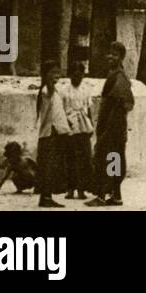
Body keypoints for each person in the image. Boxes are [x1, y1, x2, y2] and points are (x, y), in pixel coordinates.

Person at [88, 41, 135, 207]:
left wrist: (108, 128)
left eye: (115, 55)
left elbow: (125, 103)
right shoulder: (114, 74)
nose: (110, 57)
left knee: (104, 158)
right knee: (115, 159)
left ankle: (101, 196)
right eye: (110, 53)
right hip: (114, 127)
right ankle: (116, 196)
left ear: (121, 57)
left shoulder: (119, 77)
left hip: (113, 127)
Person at [35, 60, 71, 208]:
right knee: (48, 167)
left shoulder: (52, 91)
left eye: (57, 72)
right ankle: (46, 197)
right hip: (50, 133)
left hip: (54, 132)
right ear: (45, 74)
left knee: (51, 167)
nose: (56, 75)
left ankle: (47, 196)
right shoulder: (46, 91)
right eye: (52, 73)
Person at [59, 61, 93, 200]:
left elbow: (89, 108)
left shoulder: (85, 90)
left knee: (84, 159)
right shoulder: (64, 90)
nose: (78, 78)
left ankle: (81, 189)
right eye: (75, 75)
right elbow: (60, 110)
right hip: (70, 125)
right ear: (70, 75)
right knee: (70, 158)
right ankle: (70, 189)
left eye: (81, 75)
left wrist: (90, 125)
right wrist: (64, 125)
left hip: (83, 125)